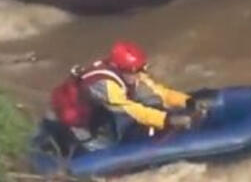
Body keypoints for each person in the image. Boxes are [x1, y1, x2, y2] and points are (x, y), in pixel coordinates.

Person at [41, 41, 200, 154]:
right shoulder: (104, 85)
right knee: (100, 150)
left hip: (98, 110)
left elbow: (159, 92)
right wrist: (167, 120)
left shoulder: (131, 73)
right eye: (135, 71)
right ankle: (61, 146)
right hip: (72, 119)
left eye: (141, 69)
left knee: (148, 101)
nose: (140, 75)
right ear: (120, 69)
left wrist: (187, 101)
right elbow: (131, 110)